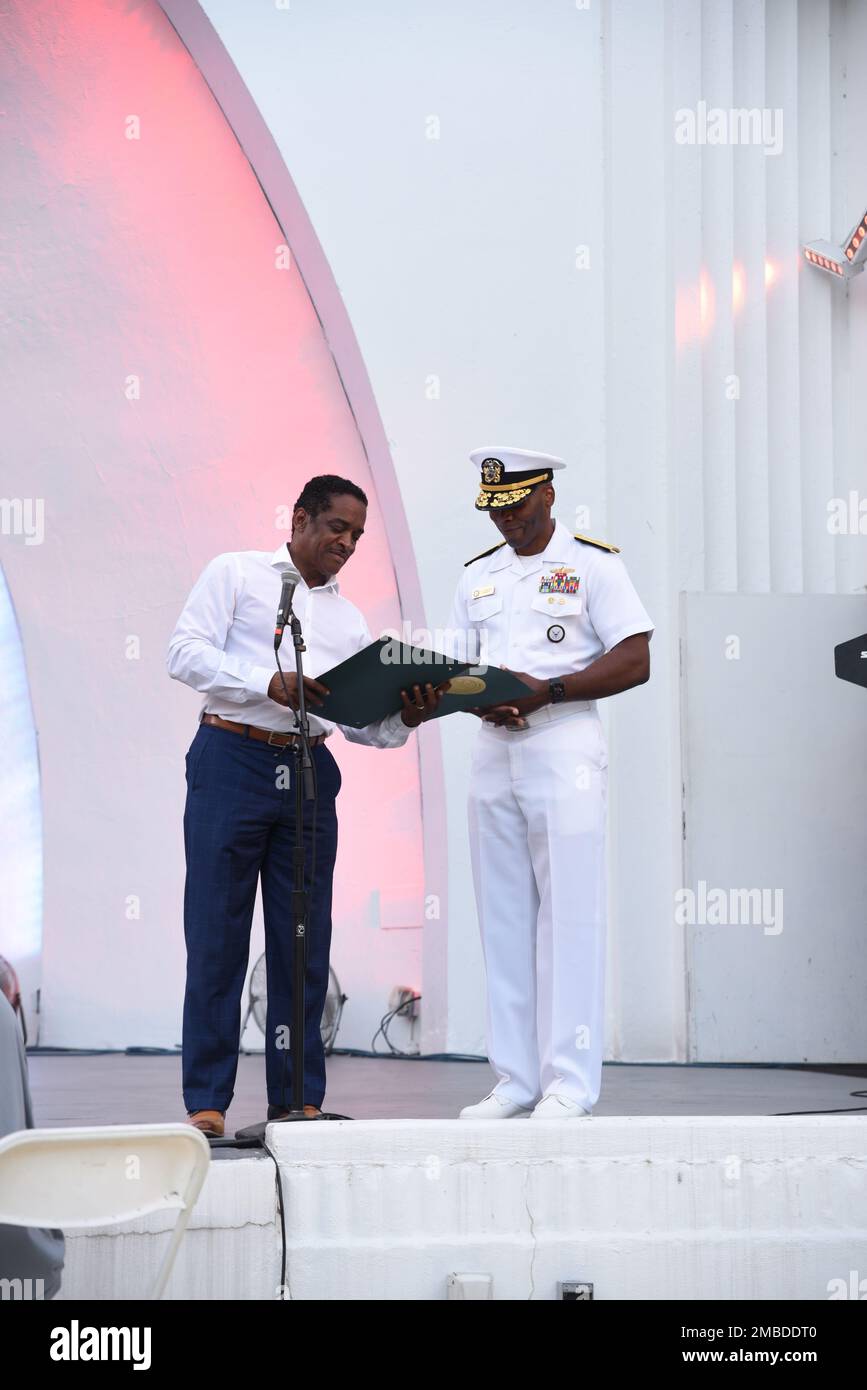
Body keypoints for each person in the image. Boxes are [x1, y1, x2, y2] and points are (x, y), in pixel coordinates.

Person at [167, 475, 446, 1136]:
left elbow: (360, 725)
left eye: (356, 535)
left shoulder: (349, 621)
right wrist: (264, 680)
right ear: (298, 519)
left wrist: (406, 717)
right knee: (216, 934)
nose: (346, 543)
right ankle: (207, 1103)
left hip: (308, 770)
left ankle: (296, 1100)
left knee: (303, 938)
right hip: (231, 756)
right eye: (336, 528)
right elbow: (183, 653)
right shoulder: (236, 573)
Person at [448, 447, 654, 1120]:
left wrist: (550, 691)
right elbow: (459, 668)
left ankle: (568, 1080)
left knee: (568, 915)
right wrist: (474, 700)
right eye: (494, 509)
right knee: (503, 916)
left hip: (562, 741)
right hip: (493, 747)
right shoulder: (478, 575)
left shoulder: (594, 564)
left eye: (516, 505)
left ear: (547, 495)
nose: (505, 519)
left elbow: (635, 658)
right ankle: (514, 1079)